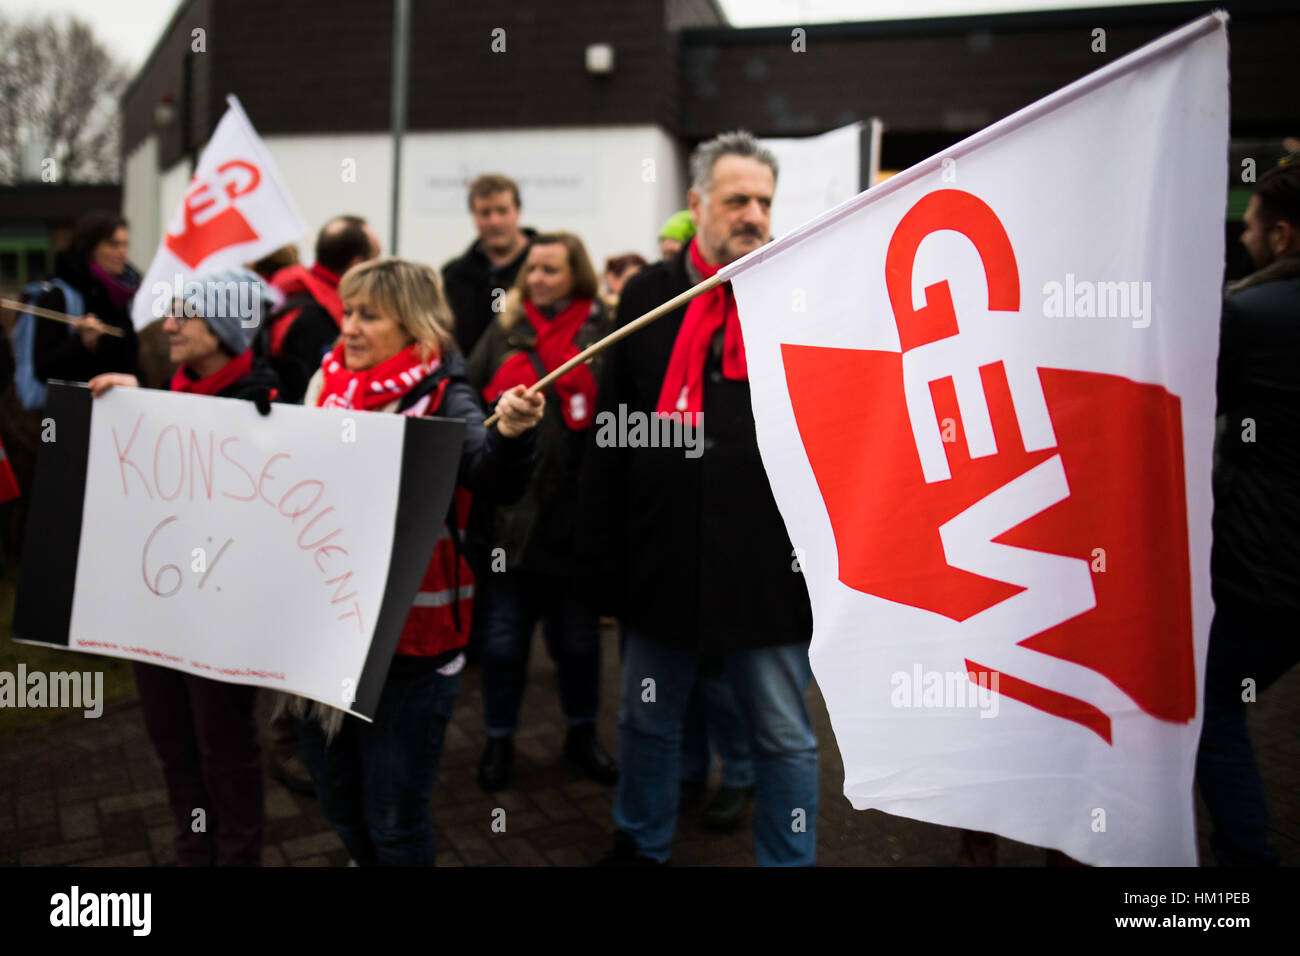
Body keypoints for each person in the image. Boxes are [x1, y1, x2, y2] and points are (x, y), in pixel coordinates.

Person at [584, 131, 819, 866]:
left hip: (770, 569)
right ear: (696, 204)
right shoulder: (650, 296)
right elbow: (612, 432)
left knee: (783, 733)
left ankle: (789, 859)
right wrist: (607, 563)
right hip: (664, 559)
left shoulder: (798, 291)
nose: (753, 214)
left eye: (763, 201)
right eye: (736, 199)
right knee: (648, 722)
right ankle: (641, 841)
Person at [290, 257, 543, 866]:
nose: (348, 327)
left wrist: (512, 434)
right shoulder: (325, 383)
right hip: (321, 638)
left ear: (414, 326)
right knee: (340, 804)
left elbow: (489, 473)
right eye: (348, 311)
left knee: (394, 822)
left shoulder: (446, 398)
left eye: (369, 315)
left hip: (412, 646)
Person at [87, 267, 281, 866]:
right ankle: (194, 850)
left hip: (222, 620)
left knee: (223, 747)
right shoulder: (168, 396)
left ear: (225, 327)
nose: (168, 323)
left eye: (186, 313)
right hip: (159, 617)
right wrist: (127, 406)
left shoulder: (269, 405)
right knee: (173, 744)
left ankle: (236, 854)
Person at [466, 232, 617, 792]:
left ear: (575, 273)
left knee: (578, 642)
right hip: (513, 520)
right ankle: (498, 740)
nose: (537, 280)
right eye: (532, 270)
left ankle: (581, 735)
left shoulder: (601, 332)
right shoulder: (506, 329)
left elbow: (619, 409)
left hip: (574, 519)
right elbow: (472, 391)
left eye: (551, 270)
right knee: (504, 643)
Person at [1197, 157, 1300, 867]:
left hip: (1264, 569)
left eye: (1255, 224)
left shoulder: (1251, 314)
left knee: (1211, 709)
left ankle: (1242, 864)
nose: (1247, 235)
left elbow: (1192, 406)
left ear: (1284, 236)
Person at [265, 215, 380, 404]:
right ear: (357, 265)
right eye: (376, 259)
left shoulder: (292, 292)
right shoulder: (315, 318)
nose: (351, 329)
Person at [33, 211, 140, 386]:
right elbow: (43, 370)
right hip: (73, 409)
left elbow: (130, 364)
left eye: (125, 244)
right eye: (113, 244)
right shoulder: (59, 295)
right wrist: (80, 343)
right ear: (90, 248)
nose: (122, 253)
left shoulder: (122, 297)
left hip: (116, 409)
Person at [441, 174, 536, 357]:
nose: (494, 221)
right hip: (469, 380)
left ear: (517, 211)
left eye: (502, 211)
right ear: (474, 216)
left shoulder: (546, 270)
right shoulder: (453, 276)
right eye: (485, 213)